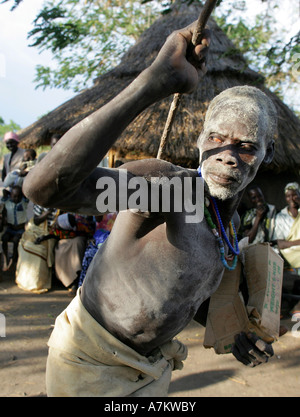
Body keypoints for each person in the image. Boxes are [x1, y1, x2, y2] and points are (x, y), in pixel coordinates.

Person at [23, 21, 277, 397]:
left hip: (153, 367)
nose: (227, 157)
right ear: (198, 142)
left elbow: (189, 292)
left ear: (267, 155)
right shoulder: (168, 191)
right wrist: (153, 82)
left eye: (245, 146)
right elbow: (43, 188)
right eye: (217, 140)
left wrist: (236, 333)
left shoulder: (230, 224)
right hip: (91, 361)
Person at [272, 182, 300, 316]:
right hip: (288, 253)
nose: (292, 198)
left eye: (295, 195)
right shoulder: (281, 217)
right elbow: (280, 243)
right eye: (288, 196)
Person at [0, 185, 28, 271]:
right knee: (4, 238)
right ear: (10, 195)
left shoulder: (24, 203)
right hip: (10, 228)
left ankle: (14, 258)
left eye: (18, 196)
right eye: (14, 196)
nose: (16, 198)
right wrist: (8, 193)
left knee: (16, 240)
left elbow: (26, 196)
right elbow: (4, 195)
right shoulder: (7, 202)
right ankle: (6, 257)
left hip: (20, 230)